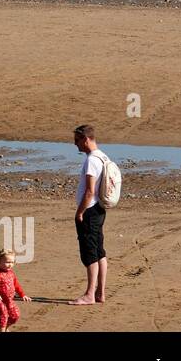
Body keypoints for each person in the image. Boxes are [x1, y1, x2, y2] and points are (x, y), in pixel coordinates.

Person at [69, 124, 109, 306]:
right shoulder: (103, 156)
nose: (75, 144)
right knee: (99, 251)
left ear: (86, 139)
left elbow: (89, 191)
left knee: (90, 253)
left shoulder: (92, 160)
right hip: (99, 209)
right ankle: (100, 292)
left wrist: (80, 212)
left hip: (90, 210)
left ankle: (90, 294)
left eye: (77, 140)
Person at [0, 249, 31, 332]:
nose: (10, 265)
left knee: (15, 315)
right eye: (7, 262)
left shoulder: (11, 273)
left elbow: (16, 285)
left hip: (9, 300)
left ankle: (5, 328)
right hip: (0, 301)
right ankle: (2, 330)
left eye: (12, 262)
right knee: (4, 316)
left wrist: (22, 295)